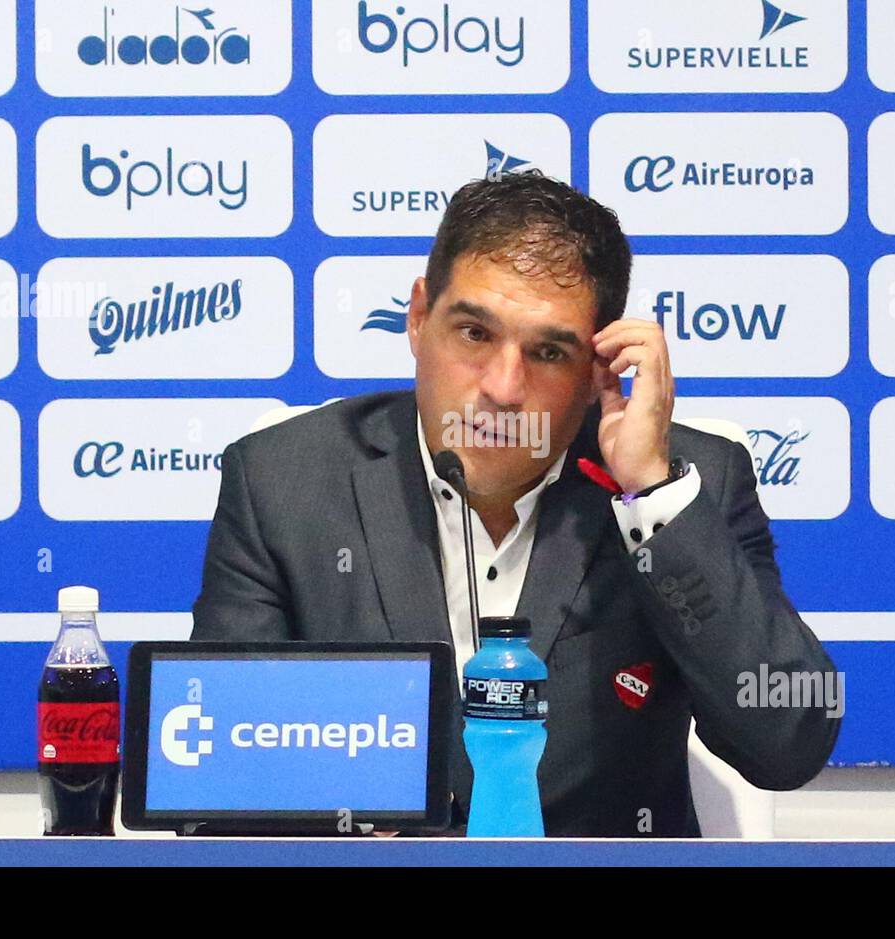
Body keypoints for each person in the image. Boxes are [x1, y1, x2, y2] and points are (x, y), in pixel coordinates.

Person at [190, 170, 841, 837]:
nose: (503, 388)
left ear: (597, 371)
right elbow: (216, 784)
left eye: (548, 351)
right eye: (474, 333)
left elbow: (786, 742)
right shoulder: (284, 483)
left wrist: (651, 496)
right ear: (418, 317)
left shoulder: (689, 483)